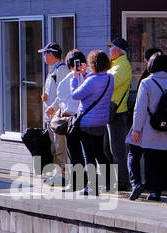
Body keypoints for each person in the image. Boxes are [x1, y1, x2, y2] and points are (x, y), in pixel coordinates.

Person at [127, 53, 167, 201]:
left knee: (133, 153)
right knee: (159, 161)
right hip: (164, 130)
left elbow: (139, 109)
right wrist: (166, 118)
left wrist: (136, 130)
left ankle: (136, 184)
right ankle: (156, 192)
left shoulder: (146, 82)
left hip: (146, 127)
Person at [67, 49, 115, 195]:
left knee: (89, 155)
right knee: (100, 153)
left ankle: (92, 187)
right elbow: (96, 83)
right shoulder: (109, 78)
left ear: (92, 63)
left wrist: (75, 78)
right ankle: (110, 183)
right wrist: (85, 74)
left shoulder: (91, 80)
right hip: (101, 122)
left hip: (87, 123)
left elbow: (76, 95)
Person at [48, 49, 86, 189]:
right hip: (89, 119)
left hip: (72, 120)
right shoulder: (89, 76)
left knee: (74, 154)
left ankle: (76, 183)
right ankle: (90, 182)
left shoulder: (70, 78)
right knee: (88, 154)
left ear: (70, 64)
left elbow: (61, 94)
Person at [105, 36, 133, 191]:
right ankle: (114, 180)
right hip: (111, 112)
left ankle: (122, 182)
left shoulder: (123, 66)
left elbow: (109, 82)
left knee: (117, 150)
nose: (109, 50)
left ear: (117, 50)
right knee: (108, 149)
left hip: (117, 112)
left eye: (111, 47)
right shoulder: (115, 65)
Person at [39, 42, 70, 180]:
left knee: (60, 147)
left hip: (57, 116)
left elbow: (63, 93)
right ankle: (57, 174)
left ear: (50, 54)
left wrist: (53, 108)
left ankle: (63, 176)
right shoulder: (53, 70)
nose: (44, 57)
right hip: (50, 116)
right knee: (53, 147)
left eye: (45, 54)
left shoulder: (61, 70)